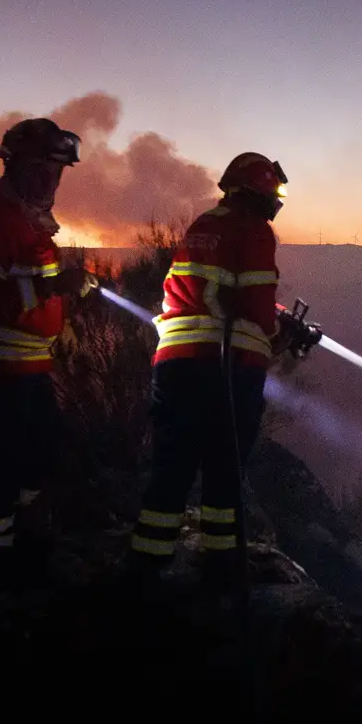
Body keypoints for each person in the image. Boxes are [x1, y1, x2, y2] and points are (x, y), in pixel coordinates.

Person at [127, 151, 311, 588]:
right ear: (261, 190)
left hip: (174, 364)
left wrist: (269, 314)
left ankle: (144, 568)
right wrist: (279, 331)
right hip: (226, 368)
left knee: (172, 465)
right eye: (275, 192)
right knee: (224, 467)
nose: (277, 201)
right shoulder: (255, 231)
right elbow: (255, 306)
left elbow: (215, 291)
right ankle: (223, 567)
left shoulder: (204, 226)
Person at [0, 118, 95, 581]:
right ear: (13, 164)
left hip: (28, 364)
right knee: (2, 460)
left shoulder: (28, 220)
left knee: (43, 450)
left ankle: (21, 531)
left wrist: (63, 290)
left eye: (56, 170)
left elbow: (30, 283)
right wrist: (55, 286)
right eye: (40, 167)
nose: (50, 179)